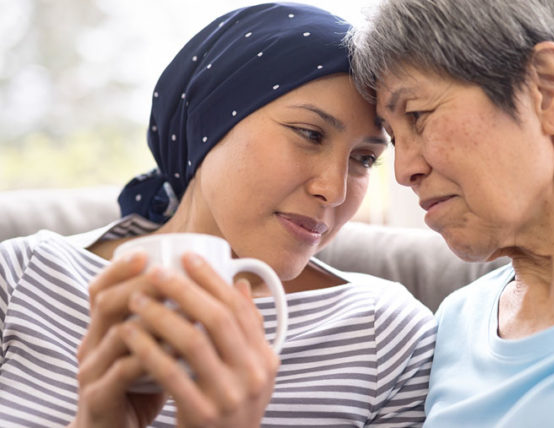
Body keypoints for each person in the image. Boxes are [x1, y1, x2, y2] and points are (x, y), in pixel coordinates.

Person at [0, 3, 436, 427]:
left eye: (363, 159)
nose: (334, 190)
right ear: (209, 124)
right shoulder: (24, 276)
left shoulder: (390, 337)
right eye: (309, 134)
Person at [347, 0, 554, 426]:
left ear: (546, 89)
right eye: (395, 140)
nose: (403, 171)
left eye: (418, 116)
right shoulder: (456, 320)